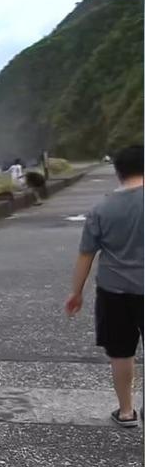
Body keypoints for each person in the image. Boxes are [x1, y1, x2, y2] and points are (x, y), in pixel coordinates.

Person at [65, 145, 144, 427]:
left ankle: (126, 412)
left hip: (114, 292)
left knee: (121, 352)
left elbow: (86, 255)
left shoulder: (101, 209)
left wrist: (76, 292)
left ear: (118, 172)